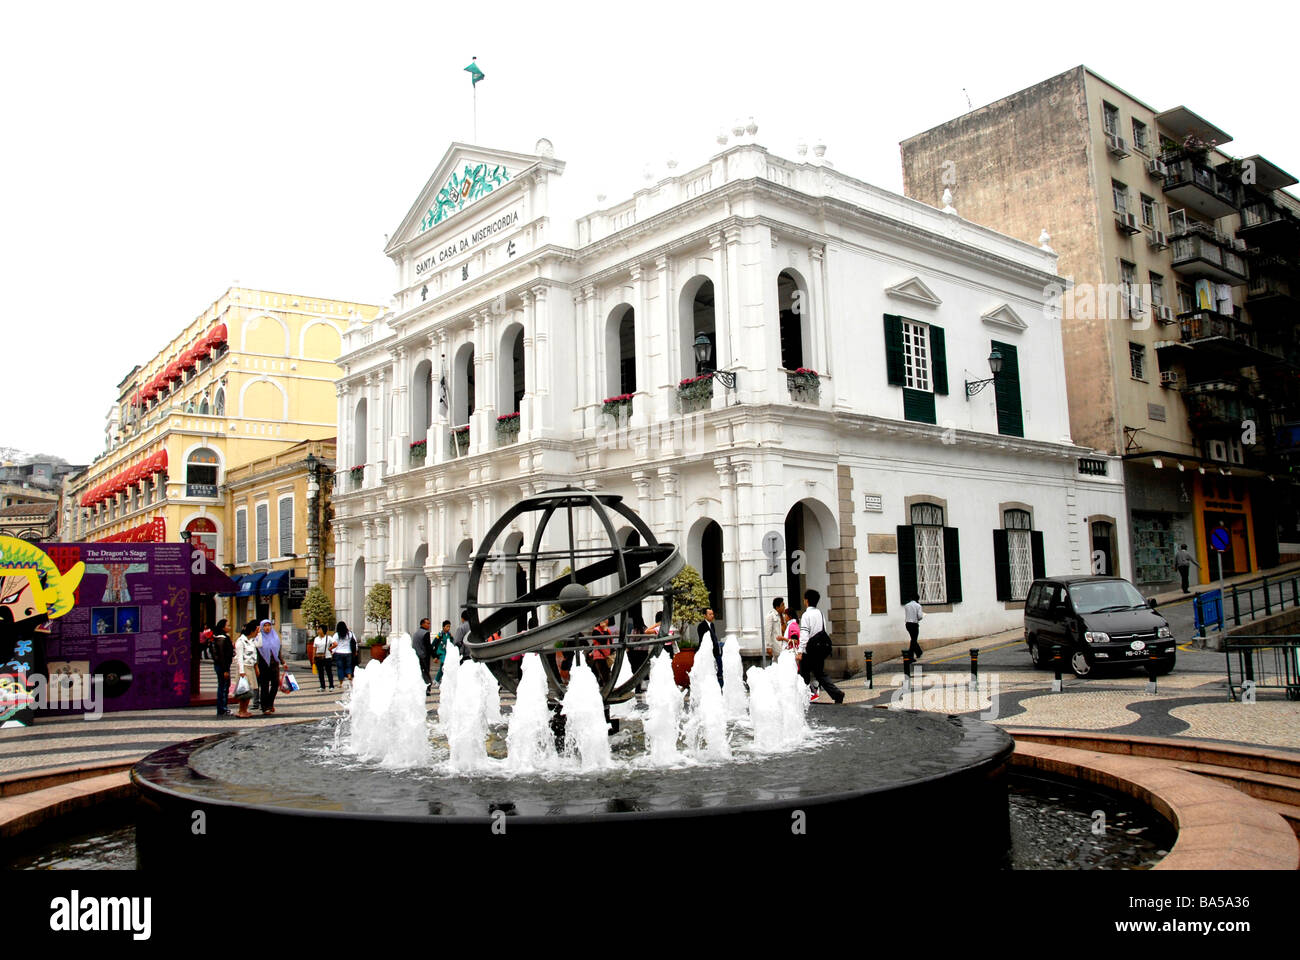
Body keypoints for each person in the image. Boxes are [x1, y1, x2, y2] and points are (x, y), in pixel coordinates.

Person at [798, 589, 844, 704]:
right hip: (820, 649)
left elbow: (804, 634)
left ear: (806, 600)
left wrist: (800, 651)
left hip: (809, 650)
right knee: (820, 673)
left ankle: (804, 697)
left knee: (804, 674)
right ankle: (837, 694)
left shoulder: (806, 615)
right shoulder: (820, 613)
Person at [256, 619, 284, 716]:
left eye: (269, 625)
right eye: (265, 626)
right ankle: (265, 707)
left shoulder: (275, 637)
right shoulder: (259, 638)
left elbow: (278, 652)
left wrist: (283, 662)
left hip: (274, 664)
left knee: (275, 684)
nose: (267, 627)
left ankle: (270, 703)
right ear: (262, 627)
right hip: (263, 665)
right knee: (264, 686)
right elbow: (257, 654)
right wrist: (256, 666)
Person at [233, 620, 260, 718]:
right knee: (244, 690)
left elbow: (254, 655)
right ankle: (241, 710)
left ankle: (245, 709)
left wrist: (256, 667)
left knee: (249, 690)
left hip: (251, 667)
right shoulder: (241, 641)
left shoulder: (252, 641)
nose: (258, 633)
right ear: (252, 631)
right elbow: (239, 657)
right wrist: (242, 672)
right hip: (244, 668)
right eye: (256, 631)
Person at [211, 619, 233, 717]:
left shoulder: (221, 637)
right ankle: (222, 708)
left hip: (222, 666)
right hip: (222, 666)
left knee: (224, 686)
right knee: (223, 687)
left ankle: (222, 707)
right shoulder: (221, 639)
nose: (229, 627)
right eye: (228, 625)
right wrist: (225, 670)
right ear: (223, 627)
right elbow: (221, 656)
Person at [697, 609, 722, 685]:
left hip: (716, 651)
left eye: (712, 614)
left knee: (719, 670)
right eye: (710, 614)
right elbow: (703, 641)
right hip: (708, 653)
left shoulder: (712, 625)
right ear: (705, 615)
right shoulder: (701, 626)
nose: (712, 616)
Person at [412, 617, 432, 691]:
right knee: (426, 671)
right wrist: (434, 655)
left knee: (421, 671)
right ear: (422, 624)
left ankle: (421, 687)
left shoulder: (416, 633)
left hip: (416, 655)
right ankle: (428, 687)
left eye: (429, 623)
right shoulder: (425, 633)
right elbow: (428, 646)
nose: (429, 625)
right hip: (424, 655)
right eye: (427, 623)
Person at [312, 624, 335, 691]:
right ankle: (322, 686)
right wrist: (313, 657)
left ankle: (331, 686)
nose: (318, 630)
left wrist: (330, 648)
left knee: (329, 672)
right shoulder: (316, 639)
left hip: (327, 657)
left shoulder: (328, 638)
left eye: (319, 629)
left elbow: (335, 643)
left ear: (323, 630)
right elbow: (314, 648)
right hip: (318, 657)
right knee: (320, 672)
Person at [332, 621, 355, 685]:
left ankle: (341, 683)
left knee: (340, 668)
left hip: (339, 653)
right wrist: (355, 651)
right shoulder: (350, 633)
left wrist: (333, 652)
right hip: (348, 652)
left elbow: (334, 644)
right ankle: (349, 675)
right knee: (348, 666)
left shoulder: (336, 635)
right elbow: (354, 642)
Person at [903, 596, 924, 660]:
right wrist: (919, 618)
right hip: (914, 624)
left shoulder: (906, 605)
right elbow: (920, 616)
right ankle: (910, 656)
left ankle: (919, 652)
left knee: (913, 639)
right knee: (914, 640)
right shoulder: (918, 606)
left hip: (908, 624)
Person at [433, 620, 452, 684]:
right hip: (441, 653)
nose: (448, 628)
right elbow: (434, 644)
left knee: (443, 667)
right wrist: (435, 656)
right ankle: (438, 680)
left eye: (449, 627)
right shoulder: (440, 635)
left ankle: (437, 680)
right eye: (447, 626)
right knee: (444, 665)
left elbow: (452, 642)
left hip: (447, 653)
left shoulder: (449, 635)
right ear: (443, 627)